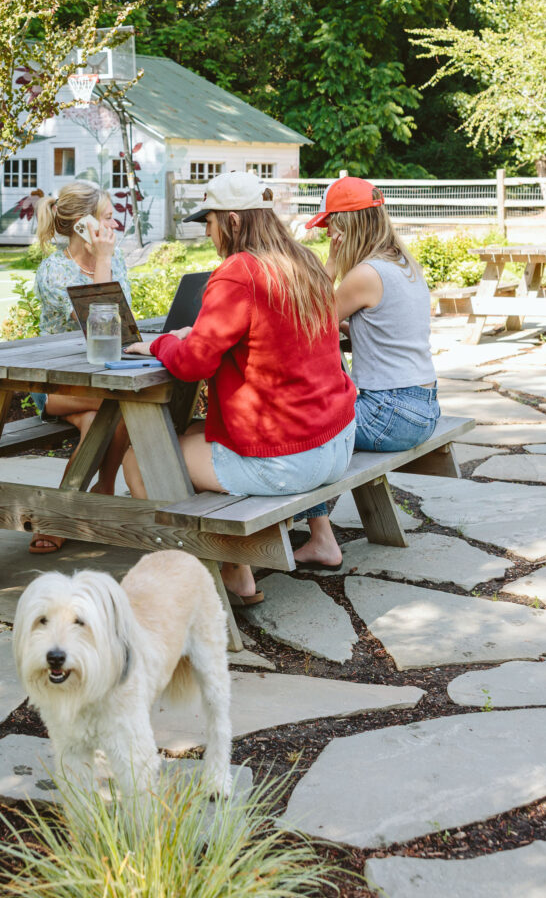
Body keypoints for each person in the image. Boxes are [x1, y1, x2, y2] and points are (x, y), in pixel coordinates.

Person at [124, 171, 356, 604]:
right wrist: (197, 335)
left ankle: (191, 584)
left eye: (209, 222)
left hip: (288, 460)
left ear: (232, 220)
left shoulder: (238, 272)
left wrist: (162, 342)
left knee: (141, 458)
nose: (207, 234)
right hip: (336, 444)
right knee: (190, 434)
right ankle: (236, 570)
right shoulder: (304, 260)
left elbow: (193, 364)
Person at [293, 175, 440, 568]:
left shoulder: (364, 274)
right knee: (323, 425)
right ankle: (317, 534)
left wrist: (330, 264)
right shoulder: (402, 263)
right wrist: (351, 327)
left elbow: (308, 322)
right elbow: (386, 325)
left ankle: (319, 538)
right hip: (423, 406)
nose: (329, 235)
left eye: (331, 227)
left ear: (347, 226)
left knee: (302, 431)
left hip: (390, 412)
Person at [27, 180, 132, 553]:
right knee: (123, 402)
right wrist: (103, 259)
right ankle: (102, 493)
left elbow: (122, 328)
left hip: (99, 380)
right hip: (55, 384)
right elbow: (102, 327)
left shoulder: (115, 260)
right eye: (107, 217)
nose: (114, 225)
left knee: (100, 417)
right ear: (83, 226)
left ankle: (66, 511)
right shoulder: (54, 271)